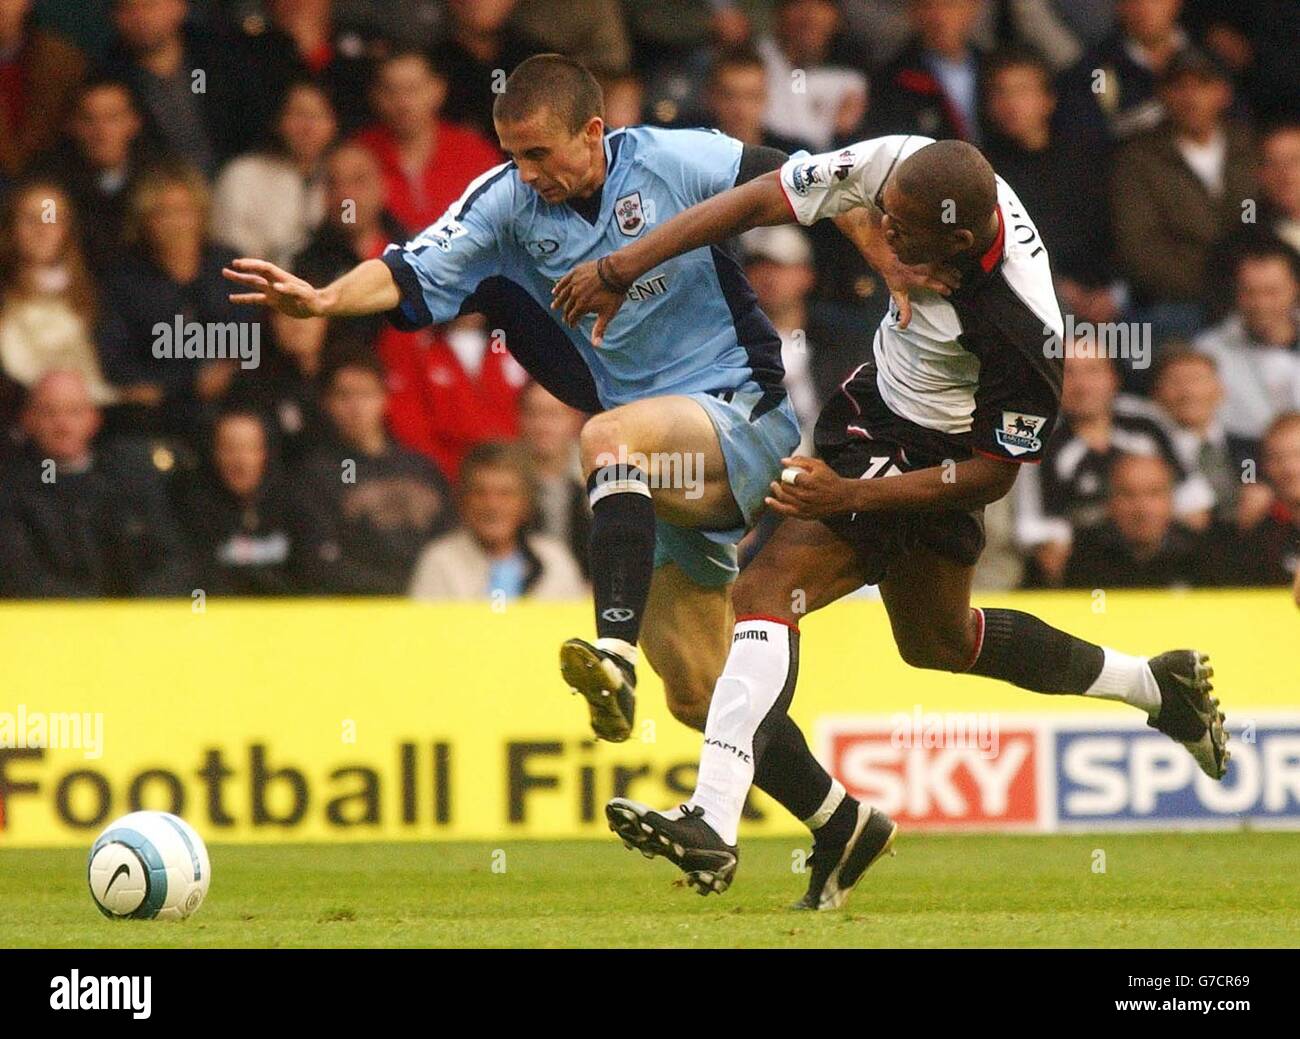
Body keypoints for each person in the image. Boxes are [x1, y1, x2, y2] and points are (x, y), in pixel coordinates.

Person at [224, 55, 944, 850]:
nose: (526, 173)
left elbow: (810, 181)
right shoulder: (503, 205)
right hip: (653, 467)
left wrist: (888, 265)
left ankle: (612, 648)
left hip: (741, 415)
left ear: (594, 132)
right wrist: (324, 299)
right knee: (700, 692)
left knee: (602, 437)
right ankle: (843, 821)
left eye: (540, 153)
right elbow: (402, 273)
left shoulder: (671, 160)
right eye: (512, 154)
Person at [554, 133, 1229, 908]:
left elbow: (993, 473)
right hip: (876, 406)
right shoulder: (900, 165)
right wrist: (621, 266)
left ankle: (712, 814)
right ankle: (1157, 685)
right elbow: (764, 194)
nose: (882, 231)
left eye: (902, 231)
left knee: (767, 592)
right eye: (887, 213)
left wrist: (847, 497)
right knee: (941, 641)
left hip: (937, 459)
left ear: (962, 244)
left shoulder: (1024, 325)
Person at [0, 369, 190, 597]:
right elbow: (21, 577)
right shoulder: (11, 490)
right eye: (49, 412)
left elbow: (174, 560)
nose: (62, 425)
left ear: (94, 418)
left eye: (74, 412)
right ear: (28, 420)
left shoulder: (131, 477)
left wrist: (135, 610)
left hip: (139, 622)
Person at [295, 352, 456, 595]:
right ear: (327, 403)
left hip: (430, 607)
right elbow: (322, 563)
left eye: (366, 394)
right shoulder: (314, 475)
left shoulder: (422, 468)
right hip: (358, 612)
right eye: (344, 396)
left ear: (385, 398)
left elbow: (451, 541)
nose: (356, 407)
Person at [409, 440, 586, 601]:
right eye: (480, 493)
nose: (492, 505)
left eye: (505, 494)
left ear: (525, 503)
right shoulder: (440, 561)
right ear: (463, 500)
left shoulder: (554, 560)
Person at [353, 49, 501, 235]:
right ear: (375, 96)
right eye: (391, 91)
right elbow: (345, 218)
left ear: (438, 89)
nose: (403, 103)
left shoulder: (473, 151)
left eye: (413, 89)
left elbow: (501, 221)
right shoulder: (358, 154)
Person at [210, 78, 337, 270]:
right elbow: (228, 247)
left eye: (318, 116)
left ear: (333, 124)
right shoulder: (243, 175)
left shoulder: (342, 177)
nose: (308, 128)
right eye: (298, 115)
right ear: (278, 121)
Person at [178, 407, 302, 595]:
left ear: (266, 453)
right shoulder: (188, 511)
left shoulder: (294, 505)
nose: (240, 461)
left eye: (251, 448)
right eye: (229, 449)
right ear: (213, 454)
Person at [1061, 452, 1209, 588]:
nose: (1142, 509)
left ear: (1171, 500)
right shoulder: (1081, 556)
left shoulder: (1203, 554)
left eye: (1154, 493)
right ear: (1109, 502)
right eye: (1128, 495)